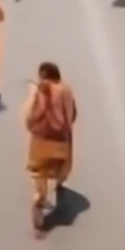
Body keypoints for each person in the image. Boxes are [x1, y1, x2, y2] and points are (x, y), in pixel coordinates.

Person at [23, 61, 77, 235]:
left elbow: (34, 114)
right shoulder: (67, 90)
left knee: (40, 174)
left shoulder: (41, 90)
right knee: (62, 167)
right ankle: (59, 184)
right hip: (60, 141)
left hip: (40, 141)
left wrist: (30, 124)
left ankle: (40, 198)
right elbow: (73, 114)